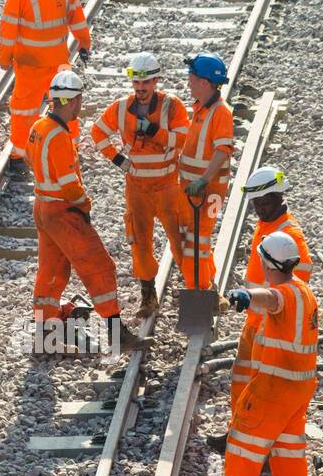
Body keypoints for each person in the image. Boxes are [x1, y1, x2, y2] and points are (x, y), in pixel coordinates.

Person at [26, 68, 150, 352]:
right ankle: (117, 334)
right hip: (63, 211)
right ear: (70, 101)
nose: (80, 108)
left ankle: (43, 331)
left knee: (51, 269)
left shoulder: (38, 127)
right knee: (100, 266)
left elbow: (30, 159)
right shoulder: (58, 135)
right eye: (79, 101)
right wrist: (84, 205)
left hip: (42, 207)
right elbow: (70, 184)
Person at [223, 229, 318, 476]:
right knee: (288, 452)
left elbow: (271, 298)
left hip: (273, 389)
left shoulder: (284, 293)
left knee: (242, 449)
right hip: (298, 391)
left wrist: (249, 295)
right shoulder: (304, 291)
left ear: (267, 263)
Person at [209, 165, 311, 447]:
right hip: (255, 321)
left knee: (262, 390)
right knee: (242, 381)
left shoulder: (289, 233)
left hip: (271, 325)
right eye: (256, 203)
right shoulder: (266, 225)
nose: (260, 209)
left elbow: (296, 281)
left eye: (265, 202)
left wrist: (258, 300)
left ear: (279, 196)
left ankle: (260, 444)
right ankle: (237, 435)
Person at [90, 51, 189, 318]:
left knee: (181, 238)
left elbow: (184, 141)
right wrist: (118, 159)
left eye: (146, 83)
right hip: (137, 188)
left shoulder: (172, 106)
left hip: (168, 185)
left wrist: (156, 132)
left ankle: (199, 287)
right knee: (140, 242)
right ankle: (148, 296)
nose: (141, 89)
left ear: (155, 81)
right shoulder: (122, 107)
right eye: (137, 83)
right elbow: (97, 132)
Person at [0, 0, 91, 162]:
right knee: (23, 110)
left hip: (57, 62)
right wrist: (5, 57)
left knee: (66, 105)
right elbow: (8, 26)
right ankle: (20, 153)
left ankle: (70, 148)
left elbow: (75, 14)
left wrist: (84, 42)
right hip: (30, 64)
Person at [179, 52, 234, 290]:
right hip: (194, 188)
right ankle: (206, 282)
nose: (188, 81)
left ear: (204, 82)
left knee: (196, 241)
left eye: (191, 77)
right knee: (195, 240)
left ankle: (198, 290)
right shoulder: (202, 108)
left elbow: (223, 150)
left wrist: (203, 179)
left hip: (208, 189)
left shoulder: (220, 112)